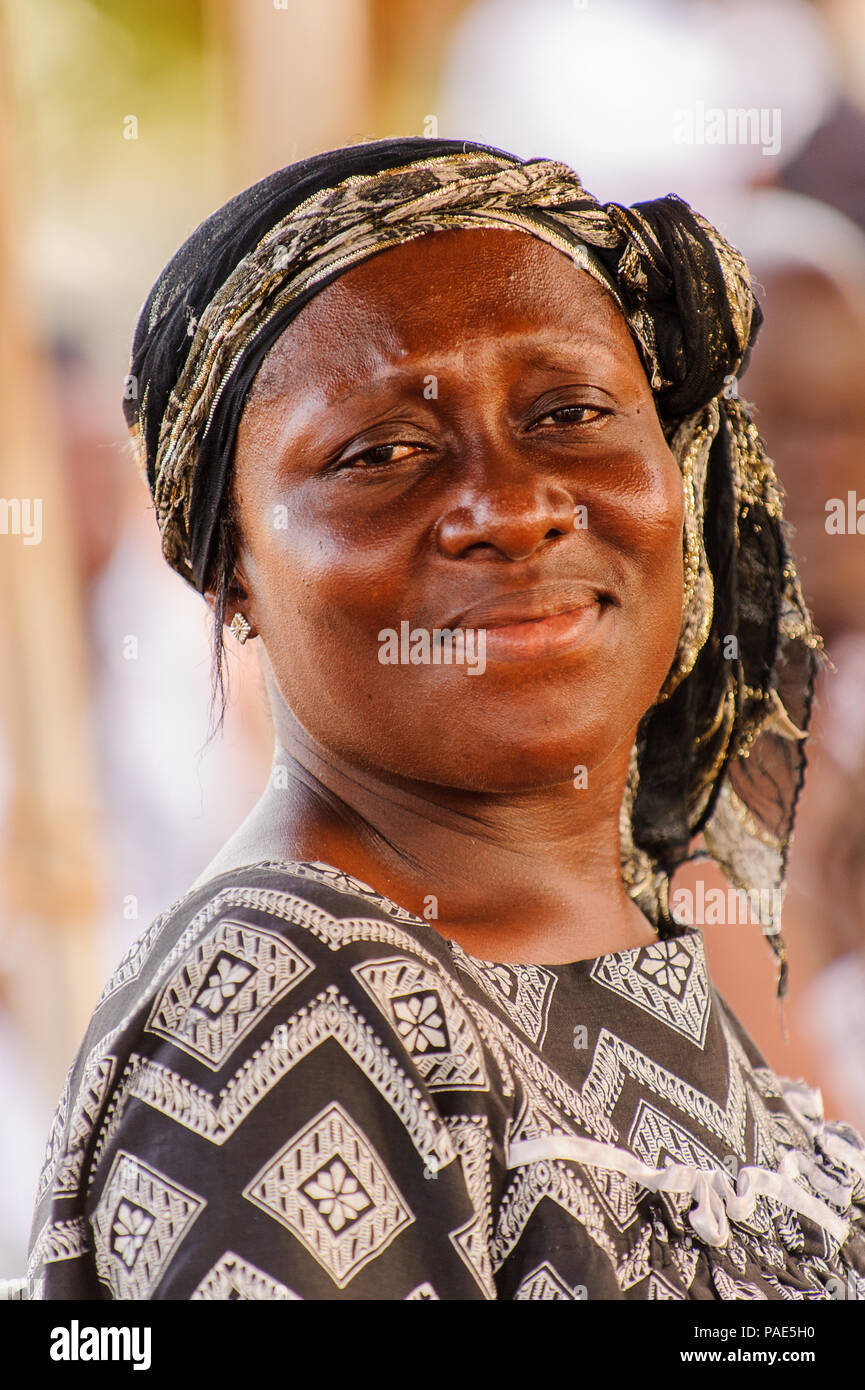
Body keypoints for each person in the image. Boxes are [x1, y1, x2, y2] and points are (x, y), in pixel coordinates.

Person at [24, 136, 865, 1301]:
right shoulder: (288, 1010)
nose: (513, 508)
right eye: (384, 452)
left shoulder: (621, 964)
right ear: (231, 571)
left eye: (571, 412)